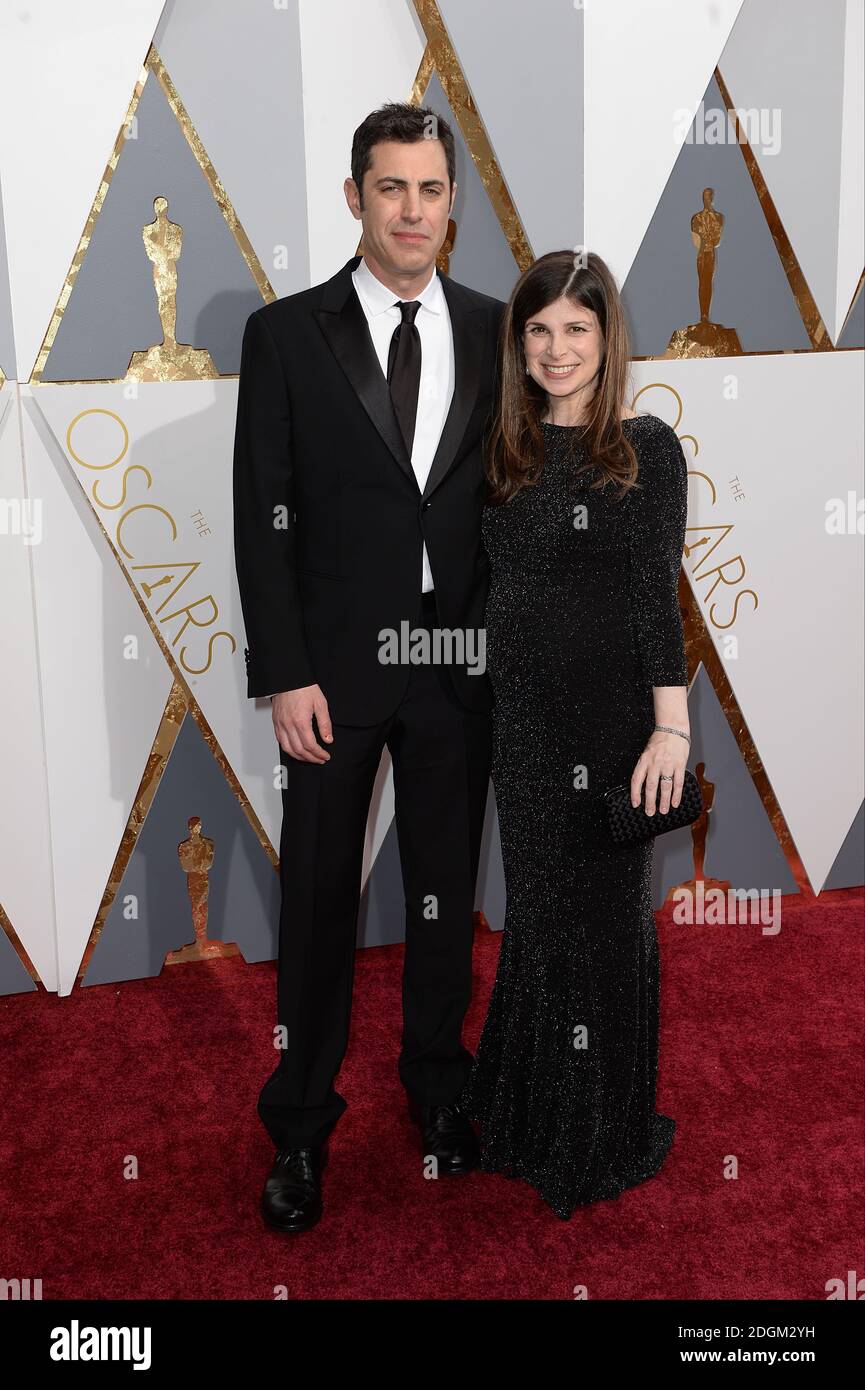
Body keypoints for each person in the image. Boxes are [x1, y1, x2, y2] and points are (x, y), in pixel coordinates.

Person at [232, 102, 505, 1232]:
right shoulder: (286, 333)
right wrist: (286, 672)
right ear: (355, 198)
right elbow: (262, 514)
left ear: (452, 202)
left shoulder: (499, 328)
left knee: (444, 899)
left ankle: (439, 1092)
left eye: (431, 190)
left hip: (455, 663)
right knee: (316, 913)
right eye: (390, 188)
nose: (412, 210)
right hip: (334, 676)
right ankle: (299, 1126)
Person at [459, 249, 690, 1219]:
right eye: (540, 329)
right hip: (521, 722)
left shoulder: (642, 447)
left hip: (611, 720)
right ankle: (522, 1113)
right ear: (521, 341)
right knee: (540, 913)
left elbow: (653, 597)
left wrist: (669, 728)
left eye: (577, 330)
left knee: (601, 924)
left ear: (606, 341)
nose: (556, 348)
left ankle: (595, 1128)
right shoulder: (498, 451)